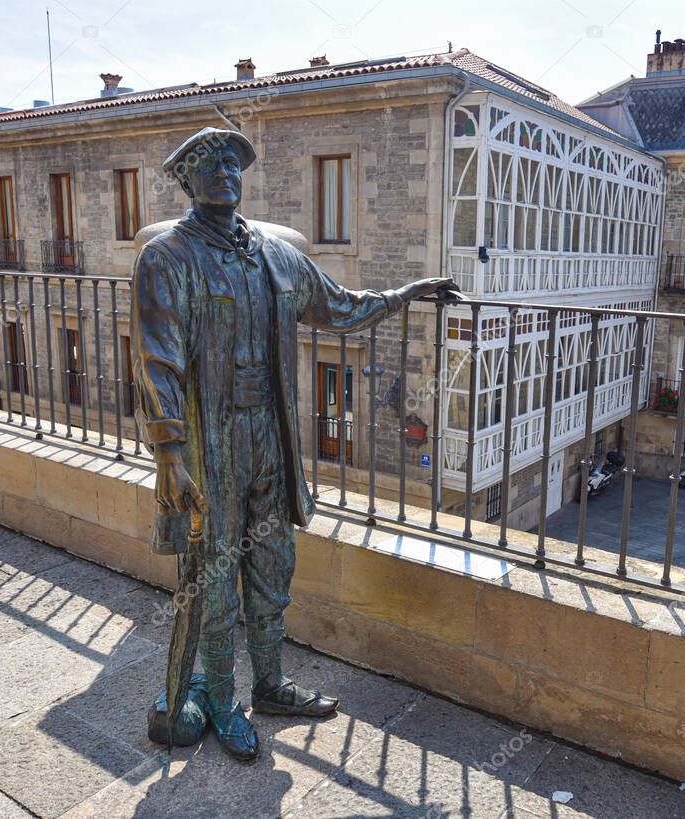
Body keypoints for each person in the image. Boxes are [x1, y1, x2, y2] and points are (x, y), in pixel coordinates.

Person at [131, 127, 459, 760]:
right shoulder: (168, 257)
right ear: (186, 181)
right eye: (207, 163)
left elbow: (339, 306)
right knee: (218, 565)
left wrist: (408, 295)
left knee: (273, 560)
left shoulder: (275, 255)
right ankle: (224, 699)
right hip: (212, 440)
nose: (224, 171)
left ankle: (271, 683)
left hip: (271, 436)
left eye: (233, 162)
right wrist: (170, 450)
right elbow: (157, 358)